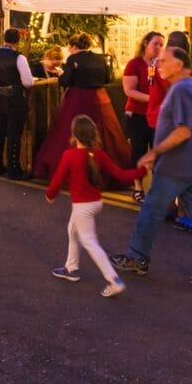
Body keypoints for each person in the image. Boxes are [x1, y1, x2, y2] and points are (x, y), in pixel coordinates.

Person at [112, 46, 192, 293]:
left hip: (176, 165)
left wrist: (154, 152)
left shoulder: (181, 90)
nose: (158, 64)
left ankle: (137, 257)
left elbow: (183, 131)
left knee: (150, 211)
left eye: (164, 61)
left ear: (179, 64)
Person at [46, 115, 146, 297]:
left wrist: (50, 195)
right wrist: (141, 171)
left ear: (74, 135)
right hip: (95, 202)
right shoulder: (98, 154)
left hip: (82, 206)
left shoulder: (70, 155)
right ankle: (71, 268)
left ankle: (113, 280)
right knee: (72, 230)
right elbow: (121, 174)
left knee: (89, 242)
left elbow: (57, 179)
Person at [33, 33, 131, 178]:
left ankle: (77, 170)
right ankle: (106, 169)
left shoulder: (73, 59)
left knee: (68, 131)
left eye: (69, 47)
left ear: (73, 46)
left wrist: (61, 75)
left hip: (78, 98)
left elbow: (65, 81)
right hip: (100, 98)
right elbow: (107, 78)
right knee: (105, 132)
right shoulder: (99, 58)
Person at [0, 28, 35, 180]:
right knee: (14, 134)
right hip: (14, 99)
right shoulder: (19, 58)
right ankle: (13, 170)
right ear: (18, 41)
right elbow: (28, 82)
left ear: (4, 38)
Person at [121, 31, 164, 188]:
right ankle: (138, 186)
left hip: (157, 115)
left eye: (161, 45)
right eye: (155, 44)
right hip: (138, 114)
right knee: (138, 150)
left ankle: (157, 186)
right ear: (146, 43)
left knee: (157, 151)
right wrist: (152, 99)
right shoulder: (135, 64)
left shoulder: (161, 65)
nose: (158, 47)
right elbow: (129, 90)